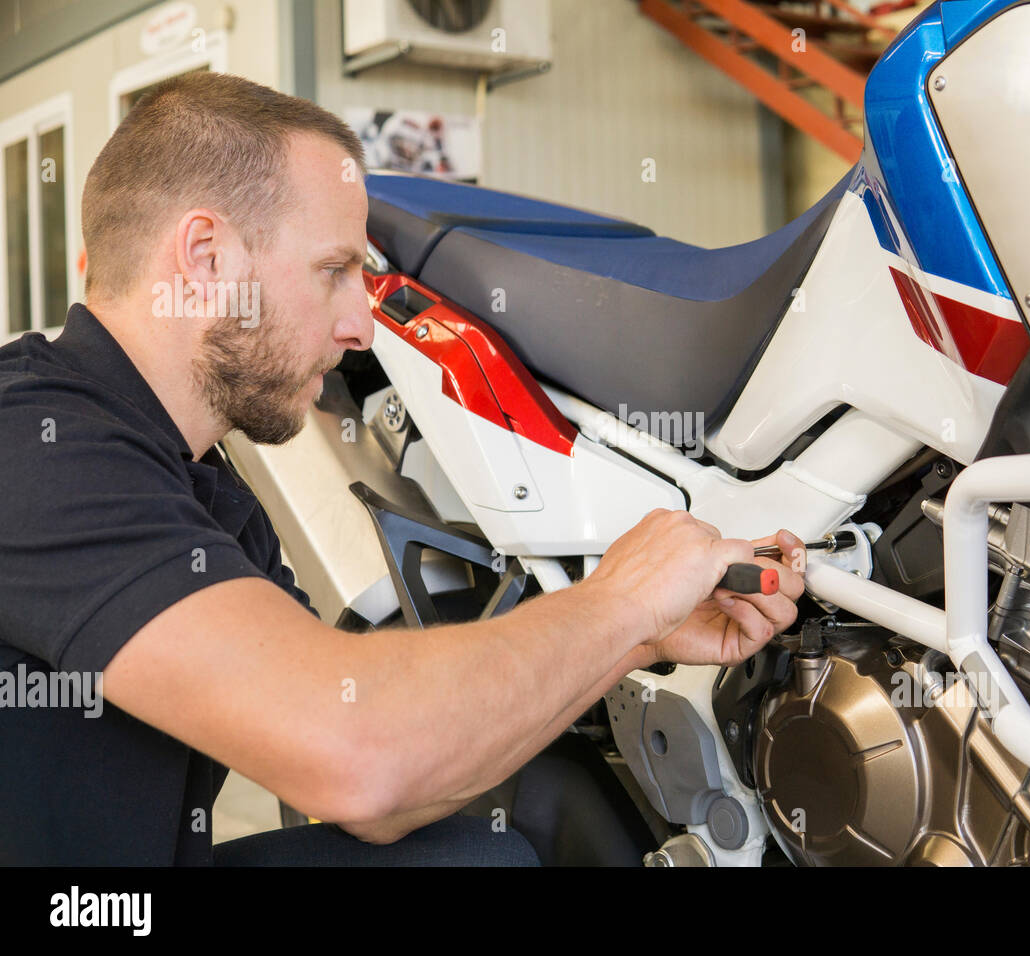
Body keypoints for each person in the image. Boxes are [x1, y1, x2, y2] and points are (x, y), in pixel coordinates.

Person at [0, 72, 804, 865]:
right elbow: (356, 755)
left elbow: (390, 800)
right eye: (333, 271)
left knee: (491, 847)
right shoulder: (33, 443)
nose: (362, 324)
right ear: (206, 256)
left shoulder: (206, 487)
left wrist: (638, 636)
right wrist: (621, 600)